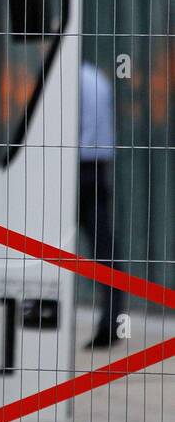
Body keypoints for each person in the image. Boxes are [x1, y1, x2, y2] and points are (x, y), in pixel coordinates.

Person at [80, 59, 121, 349]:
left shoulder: (66, 80)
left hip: (74, 167)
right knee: (103, 249)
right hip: (98, 168)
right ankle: (111, 321)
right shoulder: (99, 78)